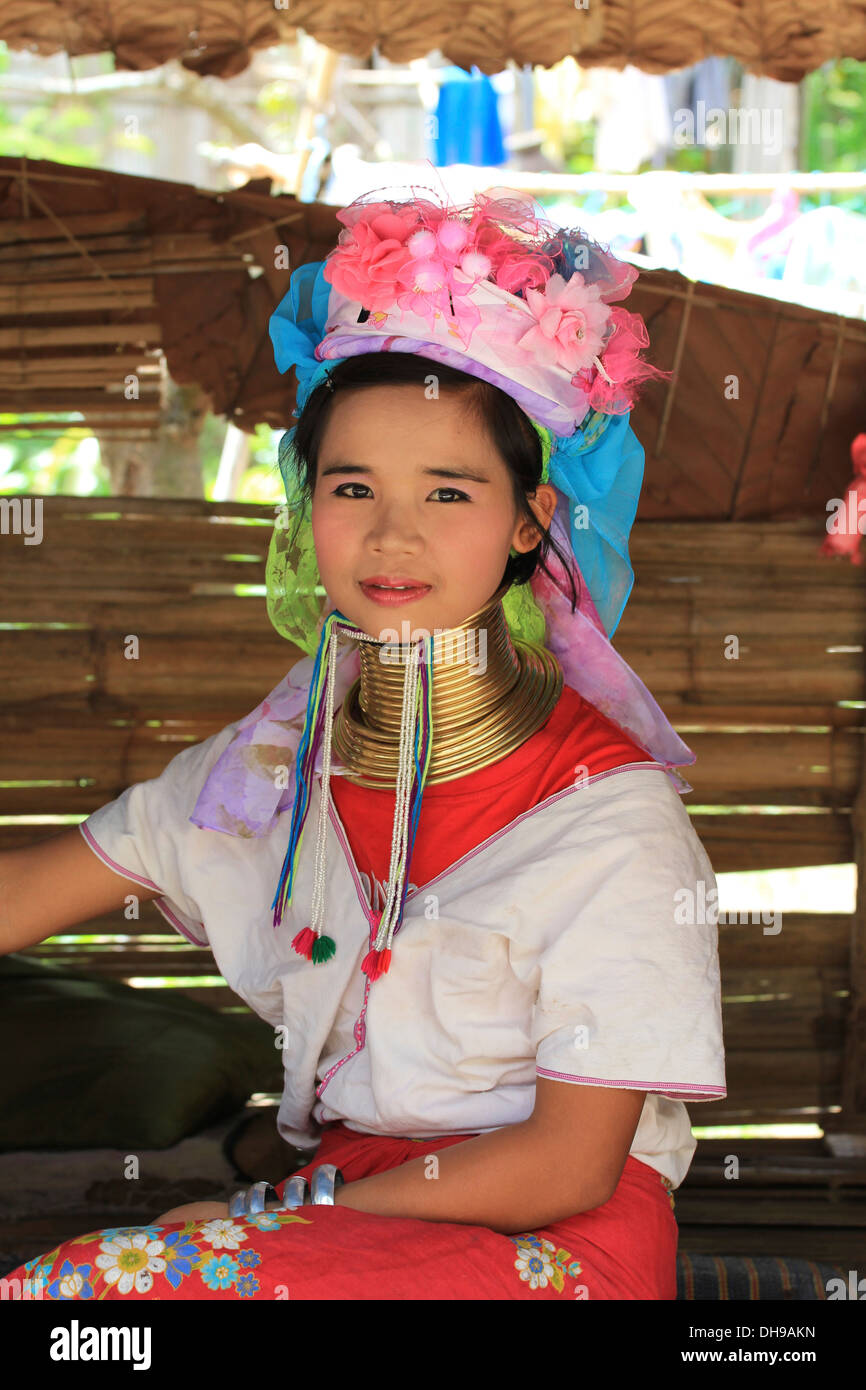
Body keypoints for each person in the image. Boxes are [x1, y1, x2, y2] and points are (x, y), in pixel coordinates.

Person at [1, 185, 725, 1301]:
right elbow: (28, 890)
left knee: (98, 1299)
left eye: (448, 490)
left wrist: (270, 1217)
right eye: (352, 486)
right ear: (307, 507)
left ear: (530, 519)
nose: (391, 534)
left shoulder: (610, 819)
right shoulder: (270, 769)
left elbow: (568, 1160)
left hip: (540, 1235)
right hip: (336, 1214)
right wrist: (286, 1218)